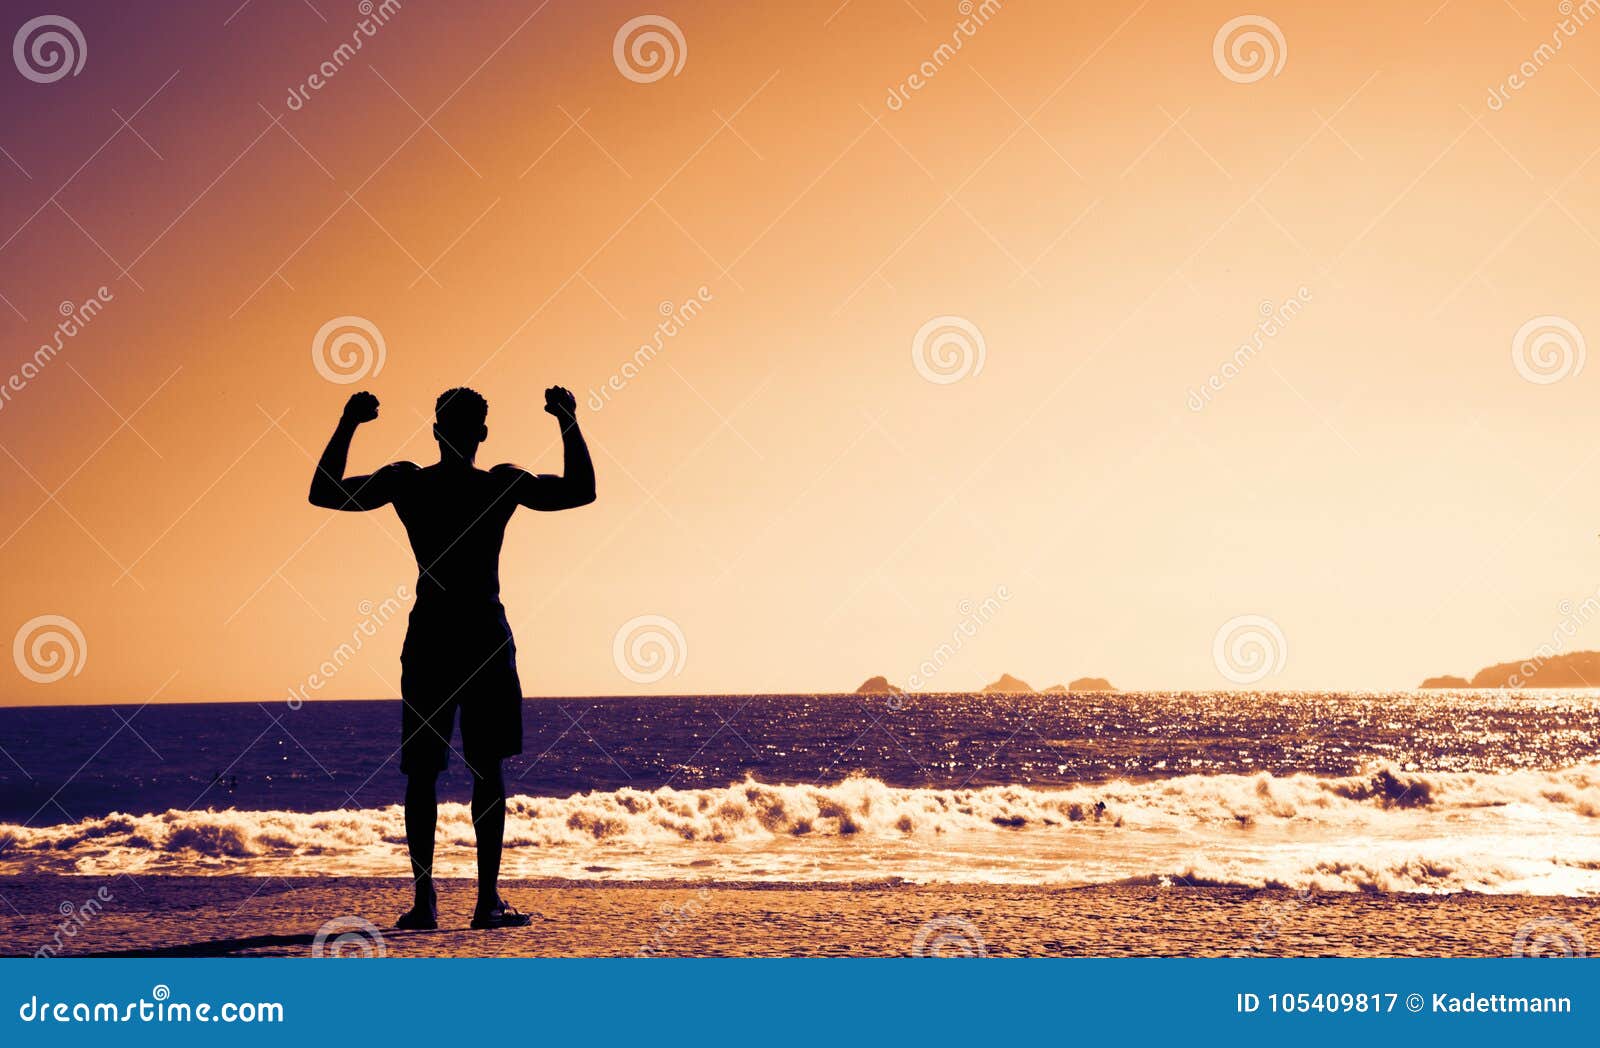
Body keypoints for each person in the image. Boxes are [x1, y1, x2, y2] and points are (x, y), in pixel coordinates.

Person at [308, 385, 596, 930]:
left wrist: (350, 422)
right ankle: (475, 901)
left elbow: (325, 492)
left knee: (432, 773)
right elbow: (581, 490)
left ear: (437, 431)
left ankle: (434, 902)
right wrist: (566, 420)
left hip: (444, 636)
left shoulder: (416, 482)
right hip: (476, 634)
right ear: (477, 433)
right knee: (473, 771)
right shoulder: (493, 483)